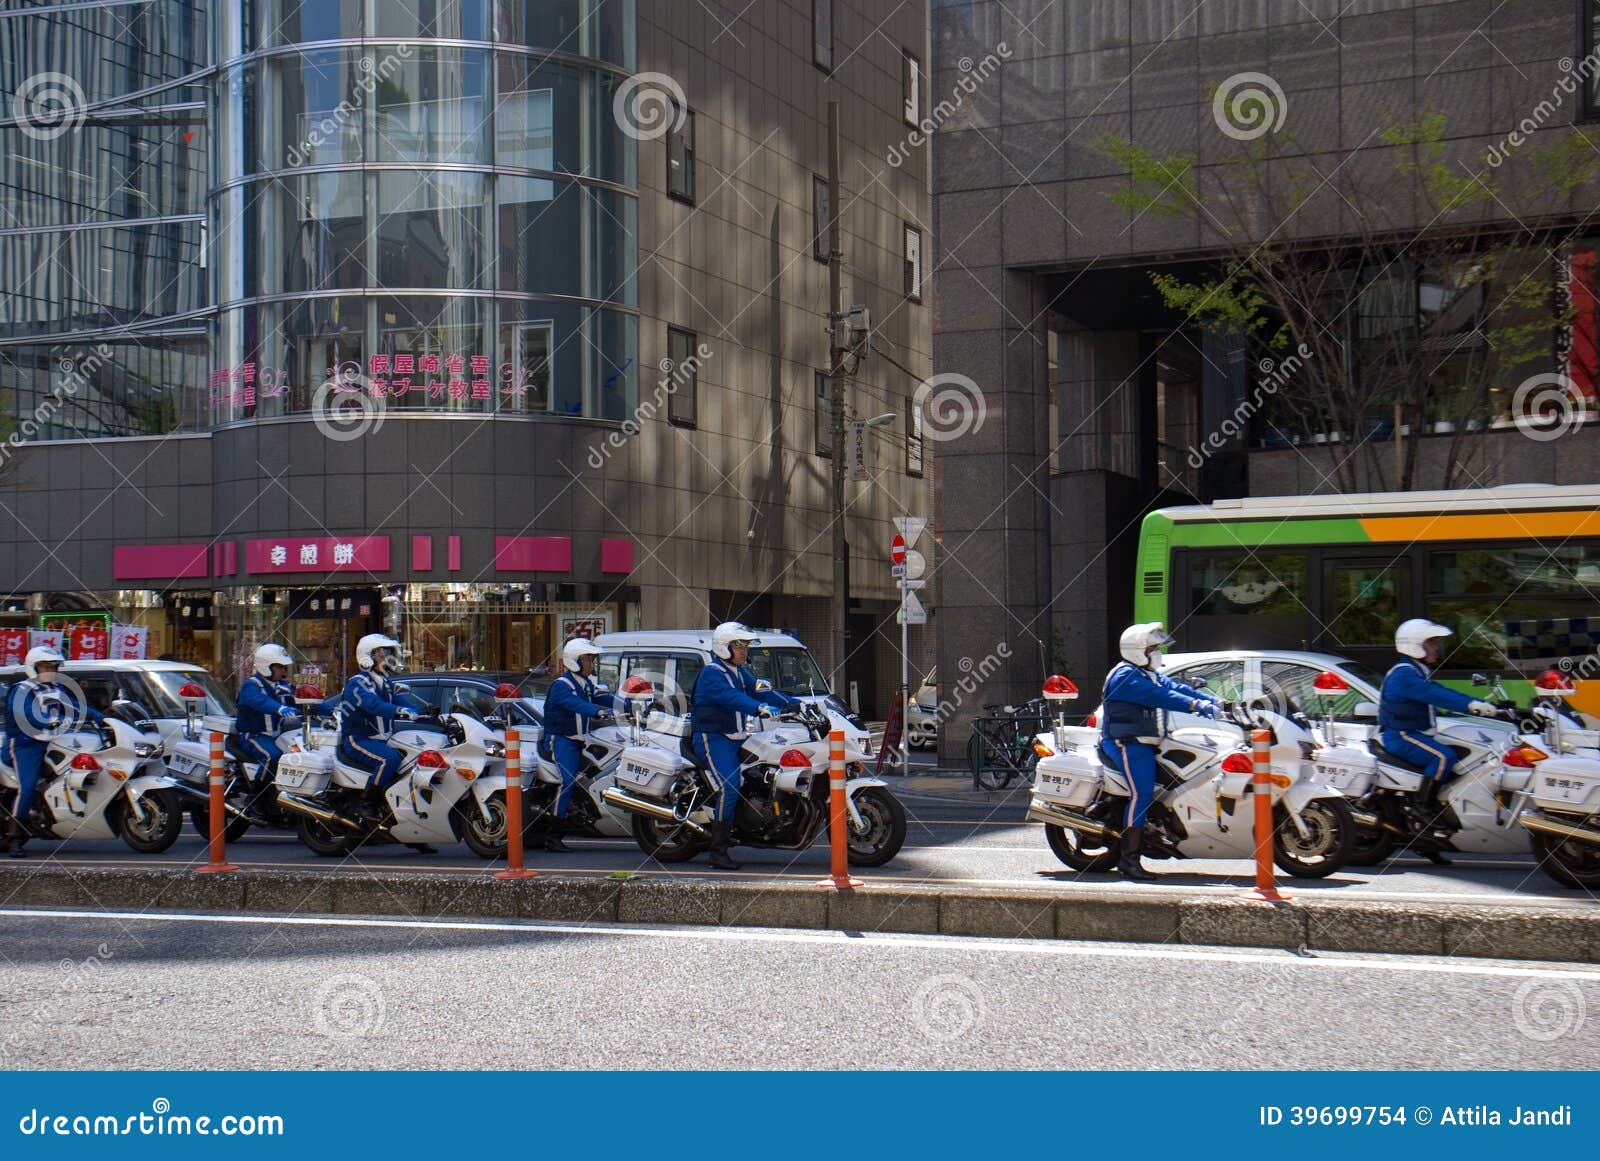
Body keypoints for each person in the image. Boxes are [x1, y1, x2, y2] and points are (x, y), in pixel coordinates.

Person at [1098, 622, 1222, 882]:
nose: (1157, 652)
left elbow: (1173, 687)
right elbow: (1160, 697)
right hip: (1127, 742)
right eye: (1152, 647)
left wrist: (1212, 701)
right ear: (1137, 650)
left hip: (1145, 740)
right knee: (1141, 794)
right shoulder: (1126, 677)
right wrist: (1195, 705)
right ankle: (1129, 861)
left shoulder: (1145, 672)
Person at [1379, 619, 1499, 851]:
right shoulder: (1404, 675)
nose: (1436, 647)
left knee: (1460, 752)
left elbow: (1439, 692)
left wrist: (1482, 704)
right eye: (1431, 642)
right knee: (1443, 757)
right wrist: (1471, 704)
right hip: (1402, 735)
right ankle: (1423, 809)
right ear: (1414, 645)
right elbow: (1435, 695)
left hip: (1414, 732)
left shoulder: (1415, 671)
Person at [688, 622, 799, 869]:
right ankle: (718, 852)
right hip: (713, 737)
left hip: (735, 736)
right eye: (738, 645)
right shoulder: (712, 673)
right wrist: (758, 708)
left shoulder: (738, 672)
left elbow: (761, 690)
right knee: (730, 786)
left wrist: (794, 703)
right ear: (723, 646)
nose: (744, 651)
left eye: (746, 646)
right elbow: (732, 697)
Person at [2, 647, 97, 858]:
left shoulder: (54, 688)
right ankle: (15, 838)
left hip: (52, 742)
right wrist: (50, 720)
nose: (51, 670)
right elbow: (25, 713)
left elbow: (74, 707)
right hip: (24, 745)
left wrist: (103, 716)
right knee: (27, 787)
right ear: (33, 667)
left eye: (53, 667)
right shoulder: (21, 689)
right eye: (46, 666)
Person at [538, 638, 623, 852]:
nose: (591, 664)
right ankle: (553, 836)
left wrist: (634, 703)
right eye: (588, 659)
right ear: (575, 660)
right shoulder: (562, 685)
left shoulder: (584, 683)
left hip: (580, 740)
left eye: (592, 660)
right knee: (567, 782)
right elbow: (575, 704)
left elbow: (604, 698)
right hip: (561, 740)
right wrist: (597, 712)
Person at [337, 633, 411, 820]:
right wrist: (398, 710)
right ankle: (368, 803)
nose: (386, 659)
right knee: (389, 759)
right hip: (359, 740)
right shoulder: (358, 683)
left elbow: (402, 701)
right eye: (381, 654)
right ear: (366, 657)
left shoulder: (384, 682)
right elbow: (373, 705)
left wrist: (429, 713)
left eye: (387, 654)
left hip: (382, 740)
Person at [234, 643, 300, 791]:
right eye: (280, 667)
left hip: (278, 735)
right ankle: (256, 799)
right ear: (267, 666)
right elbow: (259, 701)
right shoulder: (251, 685)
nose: (283, 671)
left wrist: (328, 707)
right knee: (273, 756)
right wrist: (279, 708)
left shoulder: (282, 685)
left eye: (285, 667)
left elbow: (300, 699)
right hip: (254, 735)